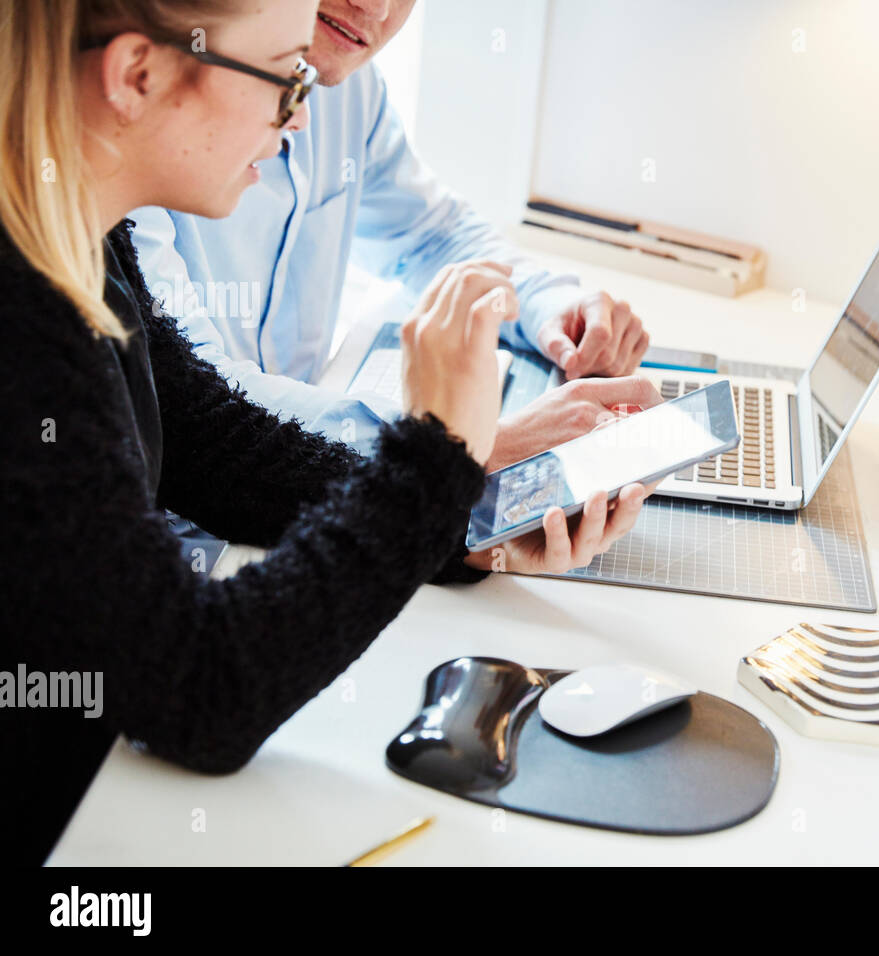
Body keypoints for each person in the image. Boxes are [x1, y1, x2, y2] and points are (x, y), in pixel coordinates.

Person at [0, 0, 649, 866]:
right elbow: (199, 688)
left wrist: (460, 519)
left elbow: (207, 442)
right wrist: (433, 456)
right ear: (137, 76)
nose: (302, 112)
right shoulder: (23, 324)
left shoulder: (82, 232)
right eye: (283, 74)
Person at [131, 0, 658, 461]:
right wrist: (458, 454)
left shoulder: (348, 87)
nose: (377, 10)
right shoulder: (146, 127)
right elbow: (195, 404)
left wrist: (544, 303)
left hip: (299, 479)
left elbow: (429, 234)